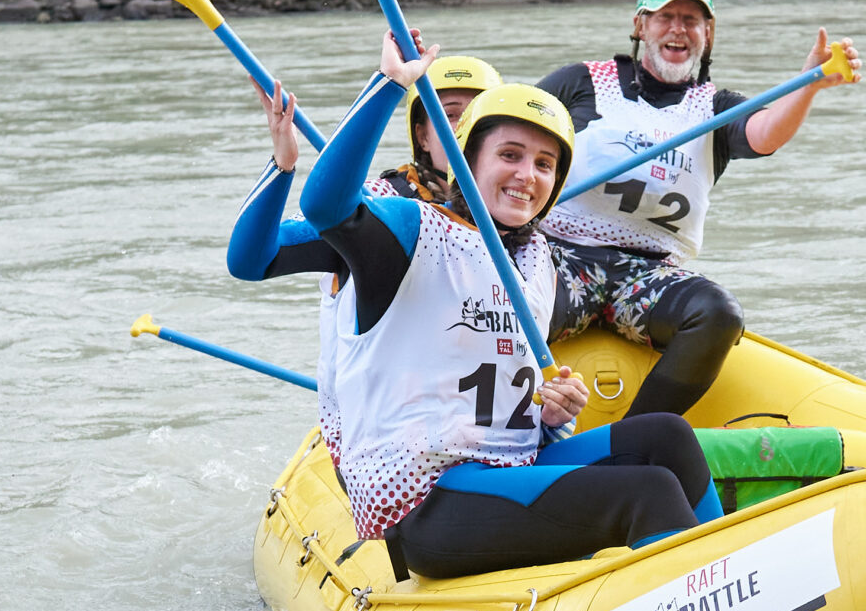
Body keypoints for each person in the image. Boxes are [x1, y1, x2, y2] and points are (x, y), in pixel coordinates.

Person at [299, 34, 719, 577]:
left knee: (667, 437)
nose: (527, 176)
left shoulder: (536, 259)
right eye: (510, 155)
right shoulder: (412, 225)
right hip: (426, 497)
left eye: (545, 163)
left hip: (505, 463)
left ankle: (730, 571)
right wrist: (387, 86)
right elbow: (321, 211)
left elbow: (512, 408)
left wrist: (553, 414)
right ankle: (704, 603)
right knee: (648, 490)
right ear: (466, 159)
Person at [538, 0, 864, 418]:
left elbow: (765, 134)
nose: (678, 29)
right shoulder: (580, 82)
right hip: (562, 256)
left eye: (691, 20)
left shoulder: (717, 108)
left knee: (719, 313)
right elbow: (510, 135)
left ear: (707, 34)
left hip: (647, 275)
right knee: (504, 303)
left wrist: (807, 85)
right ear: (641, 25)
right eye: (665, 17)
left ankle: (635, 434)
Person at [225, 51, 501, 465]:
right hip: (384, 451)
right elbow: (250, 260)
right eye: (450, 115)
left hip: (478, 431)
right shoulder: (373, 207)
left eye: (479, 119)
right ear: (423, 136)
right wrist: (283, 165)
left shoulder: (519, 221)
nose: (461, 129)